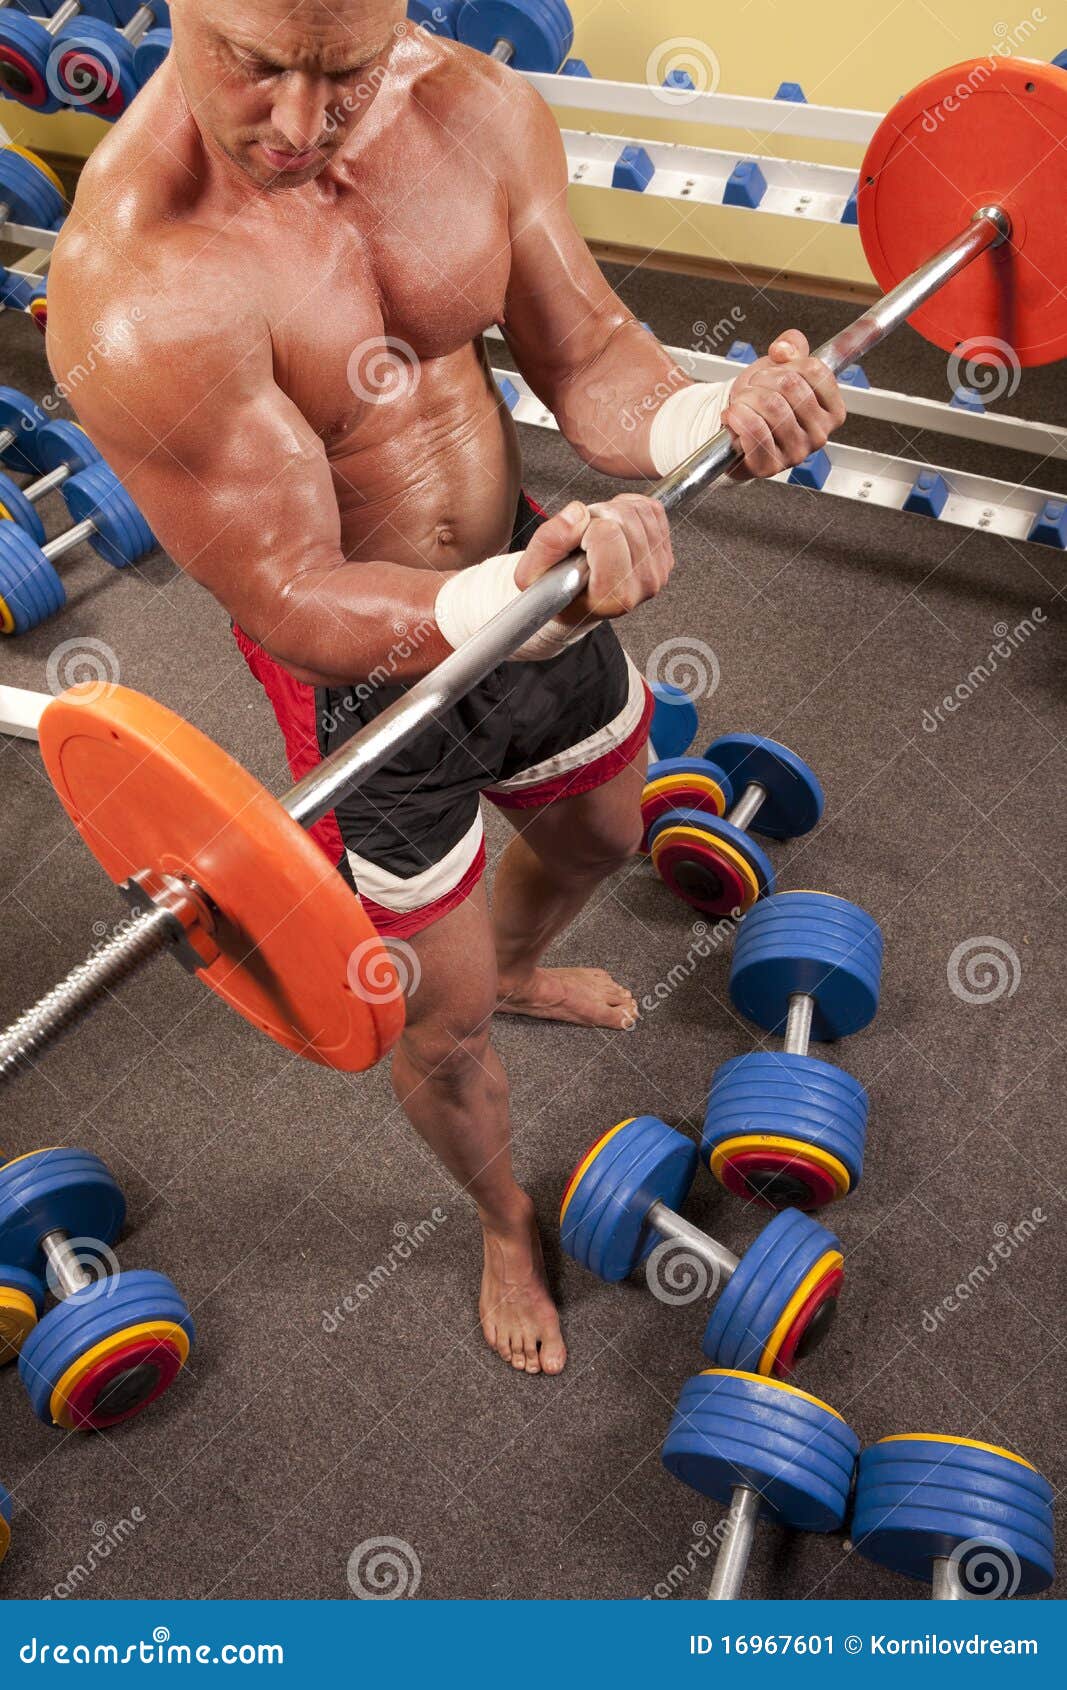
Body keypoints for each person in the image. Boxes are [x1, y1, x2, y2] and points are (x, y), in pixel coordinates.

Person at [46, 1, 847, 1376]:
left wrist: (705, 417)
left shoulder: (473, 111)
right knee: (441, 1015)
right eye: (252, 66)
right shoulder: (137, 285)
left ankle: (526, 957)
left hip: (534, 571)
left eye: (343, 72)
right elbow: (291, 592)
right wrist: (518, 602)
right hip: (375, 689)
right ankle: (502, 1215)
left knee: (607, 831)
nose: (301, 126)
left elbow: (591, 358)